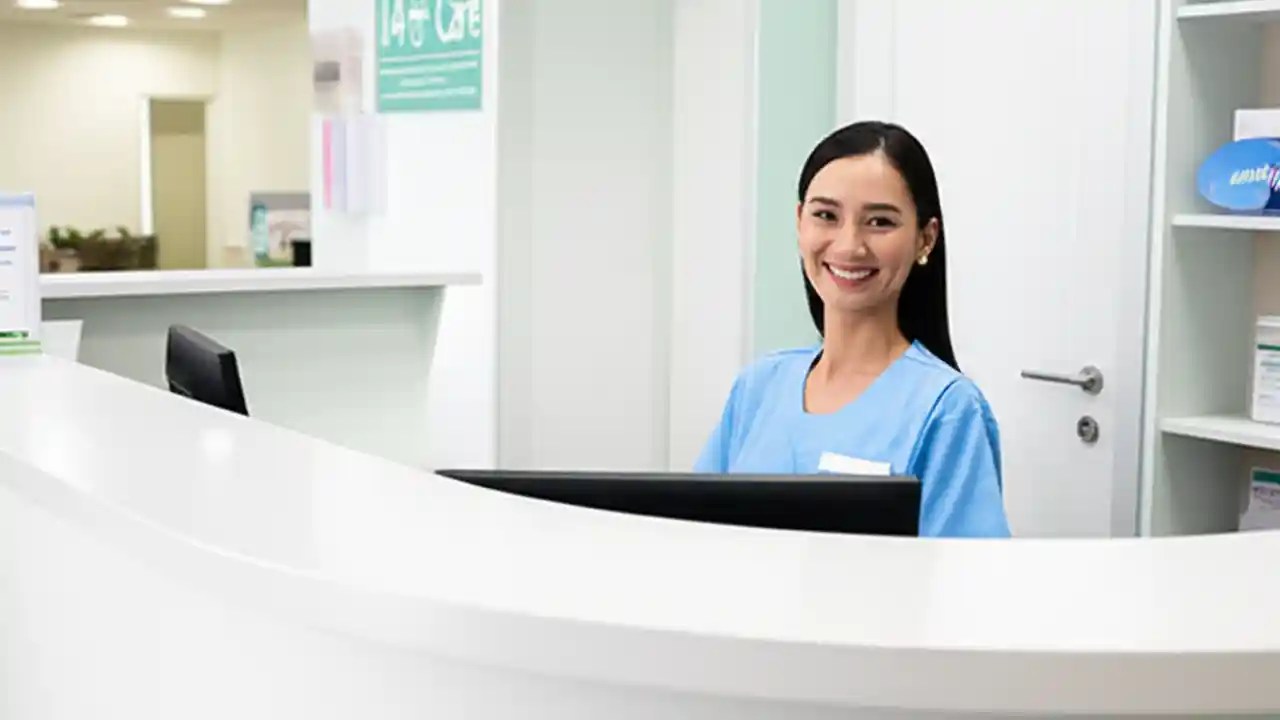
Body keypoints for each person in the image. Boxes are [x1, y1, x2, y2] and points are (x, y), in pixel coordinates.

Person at [695, 121, 1011, 538]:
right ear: (799, 222)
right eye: (826, 215)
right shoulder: (757, 388)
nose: (849, 246)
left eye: (880, 222)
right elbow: (694, 534)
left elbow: (966, 580)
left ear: (925, 239)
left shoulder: (947, 410)